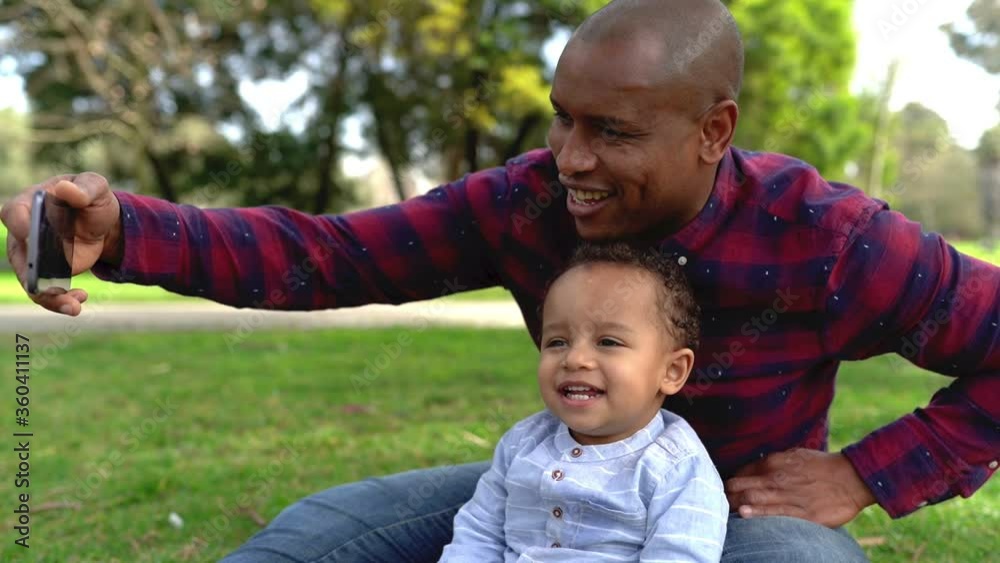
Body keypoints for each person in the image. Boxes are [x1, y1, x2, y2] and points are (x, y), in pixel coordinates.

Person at [1, 0, 997, 560]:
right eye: (564, 117)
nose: (568, 156)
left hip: (724, 524)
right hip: (546, 492)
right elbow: (330, 253)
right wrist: (128, 232)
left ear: (713, 131)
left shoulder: (828, 236)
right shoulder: (524, 202)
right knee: (319, 534)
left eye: (611, 131)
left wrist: (865, 473)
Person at [439, 242, 727, 562]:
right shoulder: (523, 442)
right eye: (557, 341)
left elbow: (680, 556)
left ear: (671, 371)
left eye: (608, 342)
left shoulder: (677, 467)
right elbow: (479, 531)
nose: (575, 359)